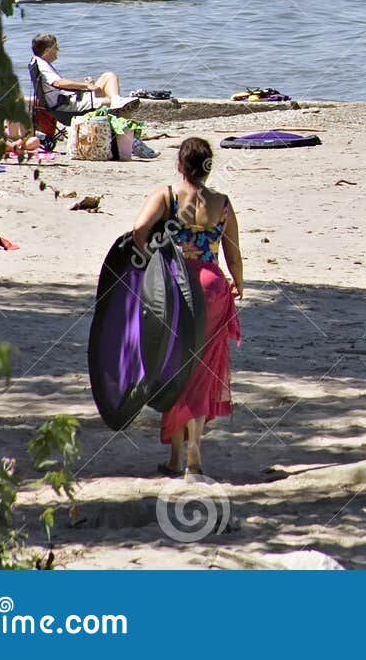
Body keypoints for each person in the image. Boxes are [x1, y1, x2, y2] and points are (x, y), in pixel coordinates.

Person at [132, 137, 243, 477]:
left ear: (180, 164)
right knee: (202, 371)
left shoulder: (166, 196)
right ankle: (193, 451)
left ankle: (177, 457)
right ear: (208, 167)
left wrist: (150, 259)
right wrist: (239, 281)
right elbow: (232, 251)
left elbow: (139, 229)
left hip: (175, 288)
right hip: (212, 287)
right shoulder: (222, 203)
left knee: (175, 367)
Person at [30, 32, 121, 113]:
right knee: (109, 101)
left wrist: (84, 85)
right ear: (47, 51)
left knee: (109, 76)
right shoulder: (42, 65)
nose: (58, 50)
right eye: (56, 48)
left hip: (70, 98)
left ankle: (116, 100)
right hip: (67, 105)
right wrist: (85, 85)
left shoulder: (37, 61)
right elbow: (58, 83)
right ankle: (116, 103)